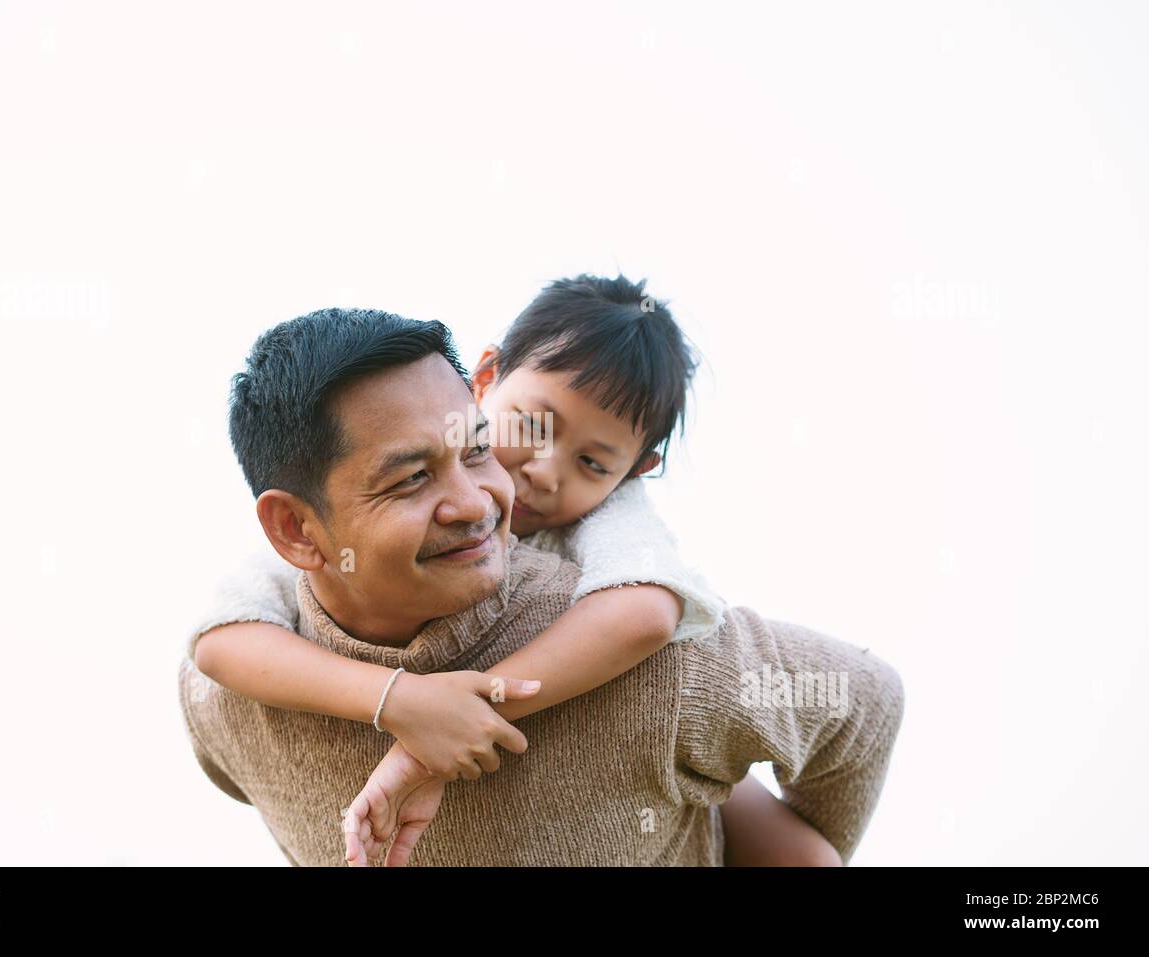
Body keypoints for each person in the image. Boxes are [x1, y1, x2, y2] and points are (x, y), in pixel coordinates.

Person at [177, 303, 904, 866]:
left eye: (476, 451)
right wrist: (399, 701)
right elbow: (215, 646)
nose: (483, 499)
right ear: (297, 532)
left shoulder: (660, 656)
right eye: (411, 478)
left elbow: (862, 698)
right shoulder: (236, 695)